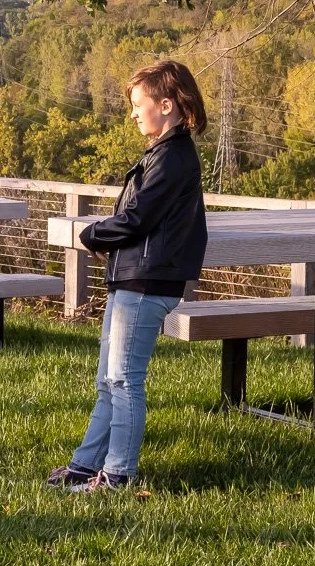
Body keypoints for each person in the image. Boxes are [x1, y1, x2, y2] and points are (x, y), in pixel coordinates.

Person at [48, 60, 209, 493]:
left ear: (167, 105)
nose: (133, 113)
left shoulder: (173, 157)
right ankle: (85, 465)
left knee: (124, 380)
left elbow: (137, 218)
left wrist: (90, 233)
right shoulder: (162, 153)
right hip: (134, 278)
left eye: (139, 104)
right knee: (109, 379)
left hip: (147, 282)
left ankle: (118, 475)